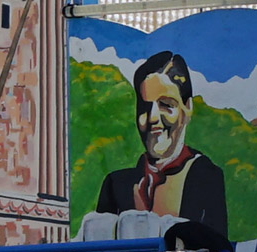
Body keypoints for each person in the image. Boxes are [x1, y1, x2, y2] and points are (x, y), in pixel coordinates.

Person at [93, 51, 231, 241]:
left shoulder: (205, 176)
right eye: (144, 107)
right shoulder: (116, 184)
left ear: (187, 108)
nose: (153, 118)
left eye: (166, 105)